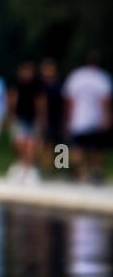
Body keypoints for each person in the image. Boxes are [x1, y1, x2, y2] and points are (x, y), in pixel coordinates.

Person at [62, 52, 112, 183]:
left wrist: (68, 118)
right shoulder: (102, 77)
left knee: (78, 148)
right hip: (96, 119)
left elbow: (70, 100)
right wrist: (107, 117)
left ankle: (80, 173)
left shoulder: (77, 76)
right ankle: (93, 172)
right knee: (96, 149)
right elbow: (105, 101)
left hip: (78, 120)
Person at [7, 61, 42, 182]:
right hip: (20, 117)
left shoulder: (36, 85)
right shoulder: (16, 85)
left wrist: (40, 118)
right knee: (20, 143)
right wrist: (11, 116)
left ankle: (29, 169)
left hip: (32, 118)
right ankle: (21, 165)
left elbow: (40, 103)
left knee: (31, 145)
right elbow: (12, 101)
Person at [39, 58, 66, 172]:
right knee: (46, 145)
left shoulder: (60, 84)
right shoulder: (40, 85)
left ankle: (61, 168)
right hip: (45, 118)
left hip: (58, 118)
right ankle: (46, 169)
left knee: (61, 146)